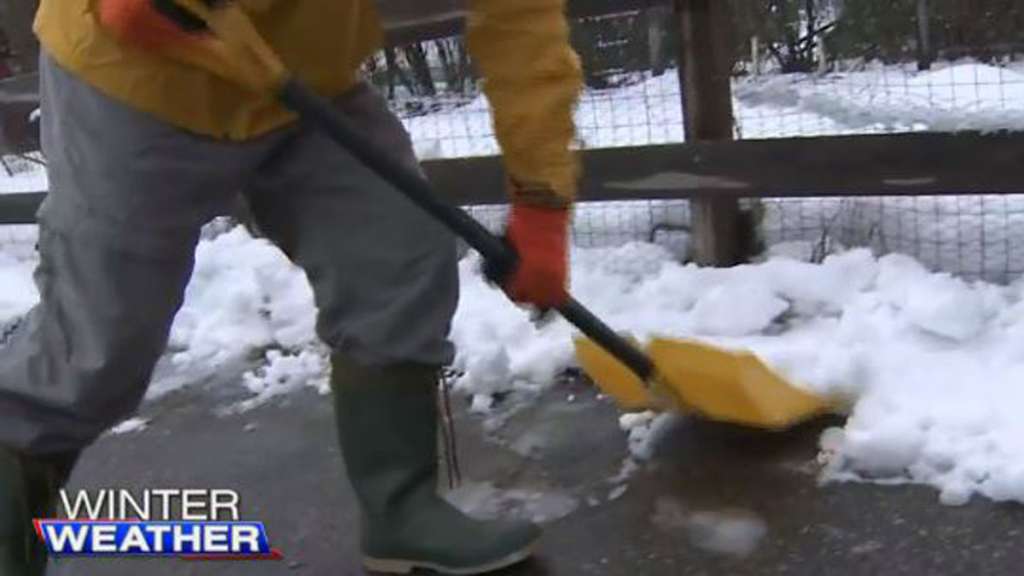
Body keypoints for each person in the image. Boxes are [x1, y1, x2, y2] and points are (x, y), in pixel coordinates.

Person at [0, 1, 583, 574]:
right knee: (98, 345)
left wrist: (541, 201)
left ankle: (402, 512)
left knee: (395, 255)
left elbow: (522, 21)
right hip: (135, 75)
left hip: (302, 79)